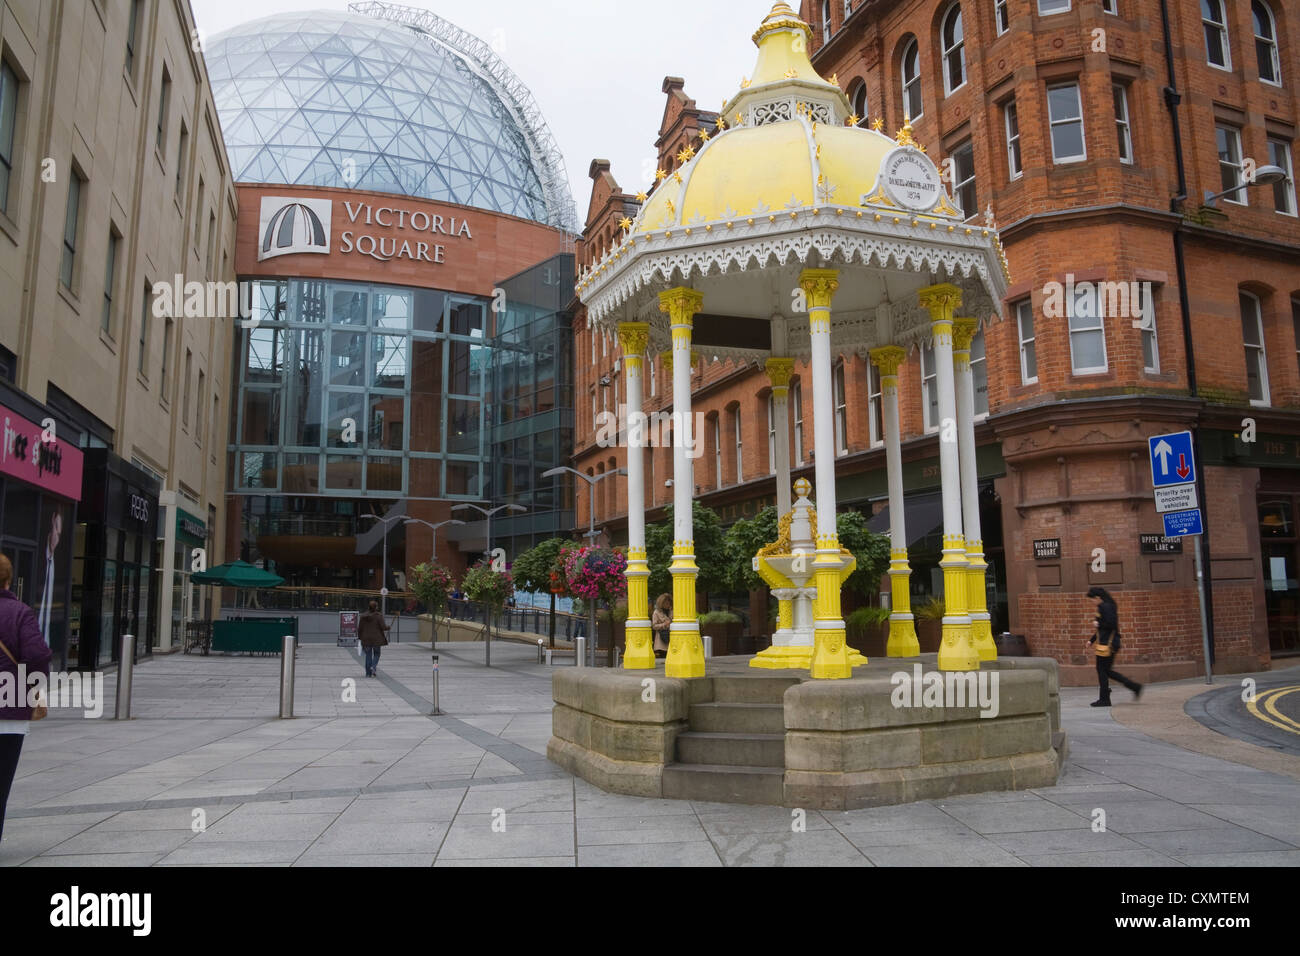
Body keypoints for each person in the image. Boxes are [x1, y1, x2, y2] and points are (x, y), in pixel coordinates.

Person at [0, 553, 51, 843]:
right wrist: (32, 687)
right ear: (8, 581)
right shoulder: (19, 613)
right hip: (8, 714)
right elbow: (37, 656)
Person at [1085, 586, 1141, 706]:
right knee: (1106, 671)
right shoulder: (1106, 605)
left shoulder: (1106, 607)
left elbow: (1111, 624)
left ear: (1098, 597)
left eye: (1092, 600)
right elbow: (1102, 630)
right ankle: (1134, 687)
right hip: (1108, 643)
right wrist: (1092, 640)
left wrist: (1098, 623)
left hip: (1108, 644)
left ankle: (1105, 698)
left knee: (1102, 670)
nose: (1092, 603)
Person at [358, 599, 389, 677]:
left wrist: (360, 637)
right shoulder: (378, 616)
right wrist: (388, 627)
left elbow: (360, 628)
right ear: (376, 607)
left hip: (366, 639)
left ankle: (368, 673)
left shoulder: (363, 616)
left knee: (368, 655)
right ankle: (373, 666)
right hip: (376, 639)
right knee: (377, 653)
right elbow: (383, 627)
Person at [651, 593, 672, 659]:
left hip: (672, 637)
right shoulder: (656, 612)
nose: (667, 604)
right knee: (664, 657)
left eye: (669, 602)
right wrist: (664, 624)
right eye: (665, 603)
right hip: (662, 639)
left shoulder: (672, 611)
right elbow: (654, 626)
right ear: (661, 603)